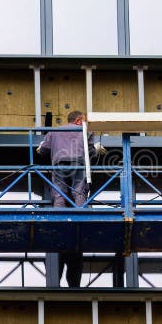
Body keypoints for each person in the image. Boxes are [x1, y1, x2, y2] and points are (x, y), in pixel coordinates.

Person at [37, 110, 105, 286]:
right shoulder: (85, 131)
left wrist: (42, 147)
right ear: (78, 120)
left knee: (59, 192)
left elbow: (43, 149)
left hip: (59, 163)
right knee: (79, 191)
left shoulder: (54, 131)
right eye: (83, 120)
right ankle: (80, 213)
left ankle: (58, 215)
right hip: (78, 163)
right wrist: (97, 150)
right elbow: (91, 151)